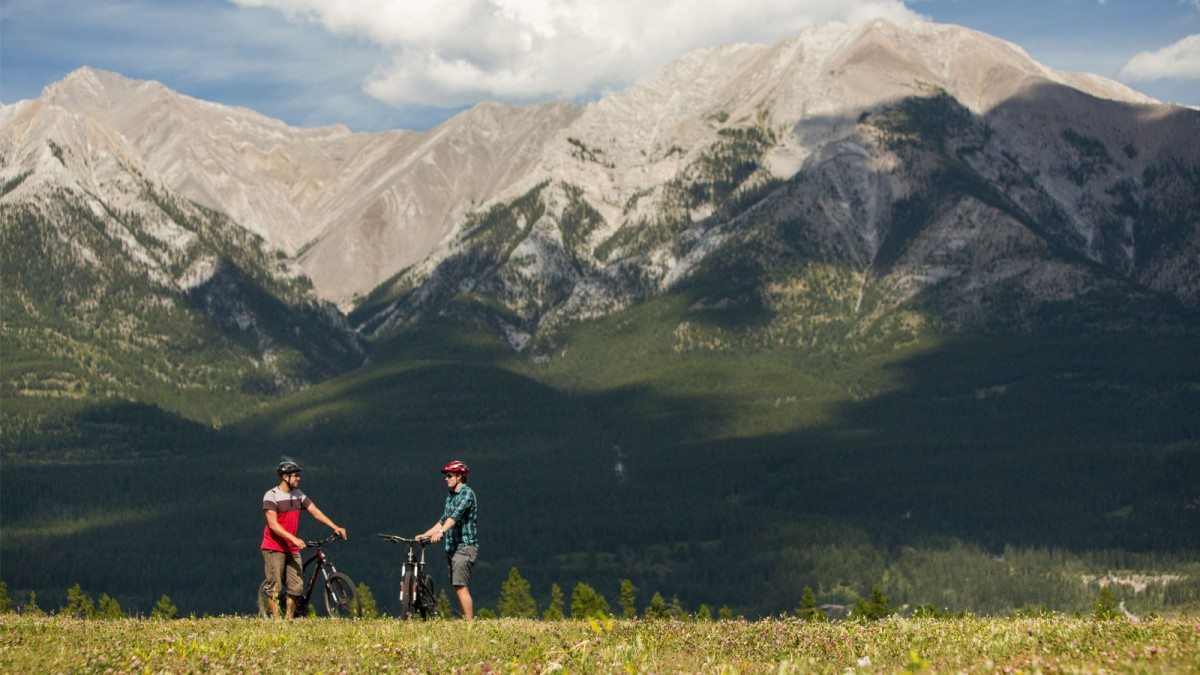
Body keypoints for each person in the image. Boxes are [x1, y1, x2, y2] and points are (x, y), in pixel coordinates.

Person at [260, 460, 346, 619]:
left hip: (292, 548)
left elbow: (315, 511)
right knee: (275, 586)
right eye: (295, 476)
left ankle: (289, 620)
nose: (298, 478)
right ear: (285, 477)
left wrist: (334, 526)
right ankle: (277, 623)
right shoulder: (271, 495)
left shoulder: (298, 495)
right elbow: (273, 525)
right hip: (274, 547)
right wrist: (293, 538)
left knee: (296, 585)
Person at [418, 460, 478, 619]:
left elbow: (454, 517)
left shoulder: (466, 494)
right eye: (446, 476)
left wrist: (441, 532)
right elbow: (442, 521)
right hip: (452, 548)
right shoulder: (450, 497)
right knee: (457, 586)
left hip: (464, 547)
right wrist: (425, 534)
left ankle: (470, 625)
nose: (446, 478)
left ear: (460, 477)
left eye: (450, 475)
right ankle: (465, 621)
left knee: (460, 586)